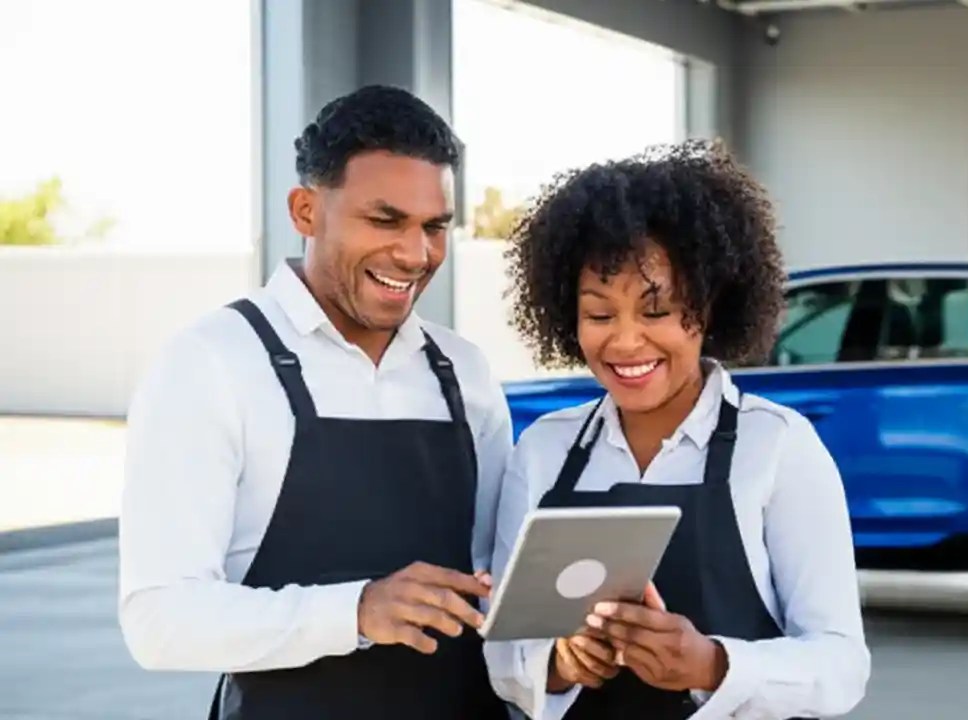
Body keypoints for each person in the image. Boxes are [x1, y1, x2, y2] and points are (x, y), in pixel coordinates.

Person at [117, 85, 513, 719]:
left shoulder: (462, 370)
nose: (415, 255)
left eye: (434, 227)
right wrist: (357, 610)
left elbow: (498, 578)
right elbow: (159, 617)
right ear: (305, 210)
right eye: (385, 220)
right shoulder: (211, 362)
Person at [484, 139, 871, 719]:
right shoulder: (544, 450)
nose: (626, 340)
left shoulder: (777, 448)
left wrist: (710, 665)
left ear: (709, 306)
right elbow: (506, 654)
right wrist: (563, 662)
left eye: (656, 310)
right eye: (599, 314)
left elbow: (841, 668)